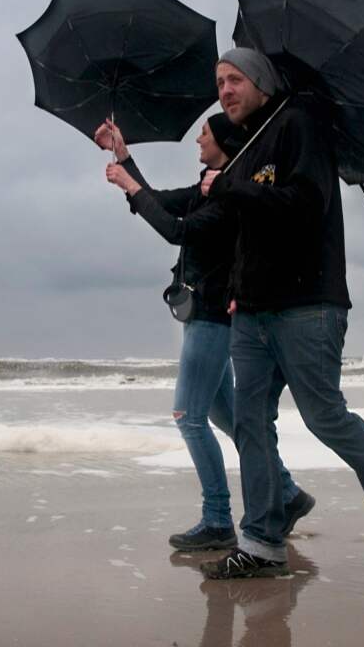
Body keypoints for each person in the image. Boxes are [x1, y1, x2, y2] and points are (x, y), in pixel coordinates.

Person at [198, 48, 364, 579]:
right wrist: (236, 286)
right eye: (219, 81)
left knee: (325, 417)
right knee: (251, 423)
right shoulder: (250, 145)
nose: (226, 90)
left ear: (262, 82)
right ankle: (261, 543)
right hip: (253, 311)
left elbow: (305, 205)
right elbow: (247, 231)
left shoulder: (300, 125)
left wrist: (233, 188)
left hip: (308, 305)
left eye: (236, 78)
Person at [95, 114, 315, 552]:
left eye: (205, 133)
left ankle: (217, 519)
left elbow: (177, 230)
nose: (197, 137)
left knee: (187, 417)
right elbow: (161, 200)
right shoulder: (208, 187)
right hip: (208, 315)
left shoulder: (230, 195)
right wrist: (123, 157)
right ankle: (287, 494)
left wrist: (128, 185)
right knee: (224, 417)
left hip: (214, 315)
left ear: (225, 145)